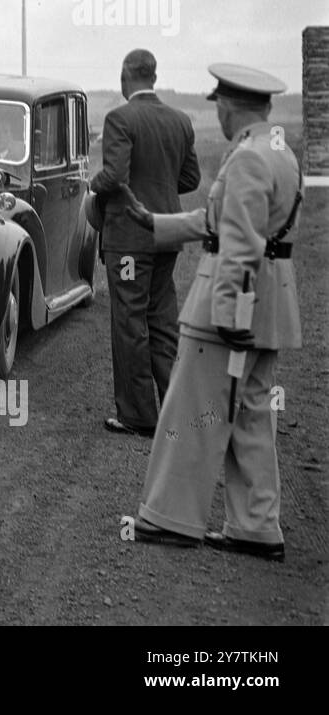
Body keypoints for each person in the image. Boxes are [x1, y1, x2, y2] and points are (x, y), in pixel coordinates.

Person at [126, 64, 300, 560]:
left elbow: (240, 245)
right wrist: (158, 223)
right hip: (270, 305)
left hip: (232, 310)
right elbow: (230, 223)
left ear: (229, 105)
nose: (218, 115)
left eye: (218, 106)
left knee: (194, 413)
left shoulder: (246, 158)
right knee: (251, 417)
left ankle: (172, 519)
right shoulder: (279, 152)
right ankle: (256, 527)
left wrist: (229, 315)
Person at [90, 49, 200, 437]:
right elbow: (190, 180)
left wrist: (94, 185)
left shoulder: (120, 118)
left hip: (129, 240)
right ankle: (174, 410)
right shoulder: (181, 120)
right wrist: (160, 188)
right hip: (166, 234)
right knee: (163, 323)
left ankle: (138, 416)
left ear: (125, 77)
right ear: (153, 76)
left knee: (130, 323)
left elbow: (115, 174)